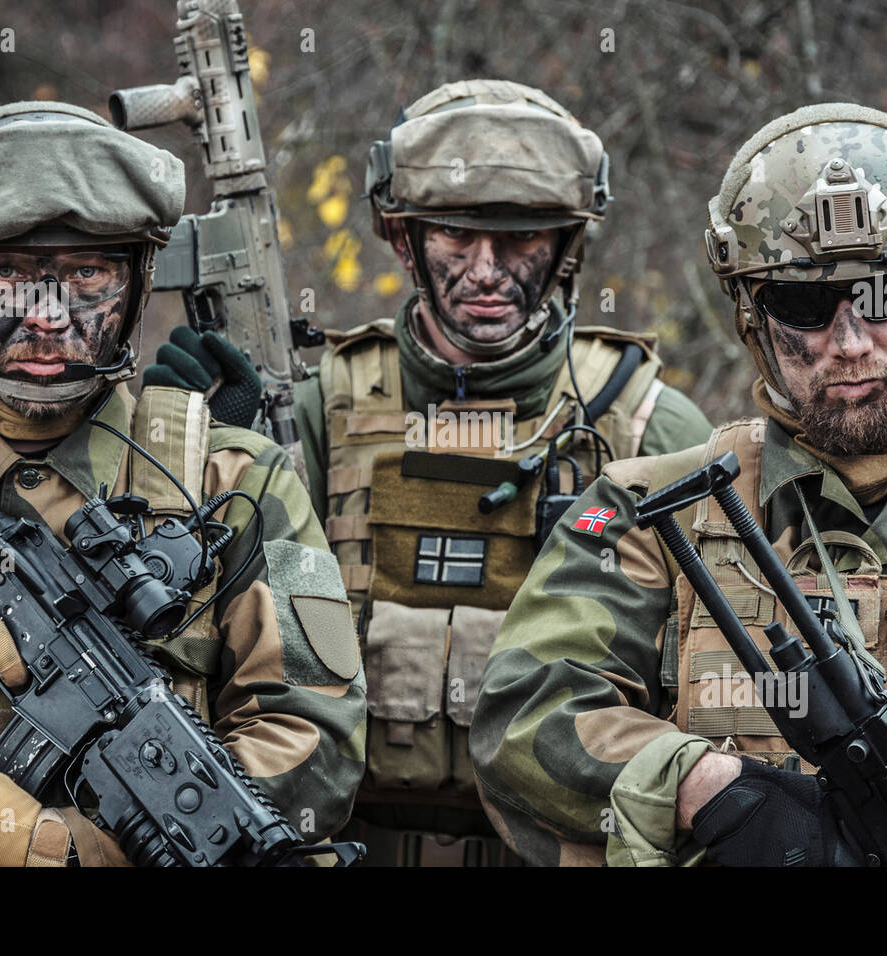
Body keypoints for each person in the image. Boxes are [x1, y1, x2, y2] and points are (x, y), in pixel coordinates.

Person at [471, 102, 887, 866]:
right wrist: (704, 787)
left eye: (883, 297)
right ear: (752, 313)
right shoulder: (651, 516)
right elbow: (523, 717)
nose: (847, 344)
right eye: (804, 304)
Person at [146, 78, 712, 865]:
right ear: (403, 238)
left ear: (567, 246)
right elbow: (208, 650)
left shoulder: (647, 428)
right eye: (455, 236)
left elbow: (713, 685)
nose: (486, 271)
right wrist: (188, 458)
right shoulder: (313, 413)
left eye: (520, 240)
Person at [0, 101, 365, 867]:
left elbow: (320, 749)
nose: (45, 317)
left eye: (87, 274)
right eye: (5, 274)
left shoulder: (238, 483)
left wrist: (75, 851)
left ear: (140, 282)